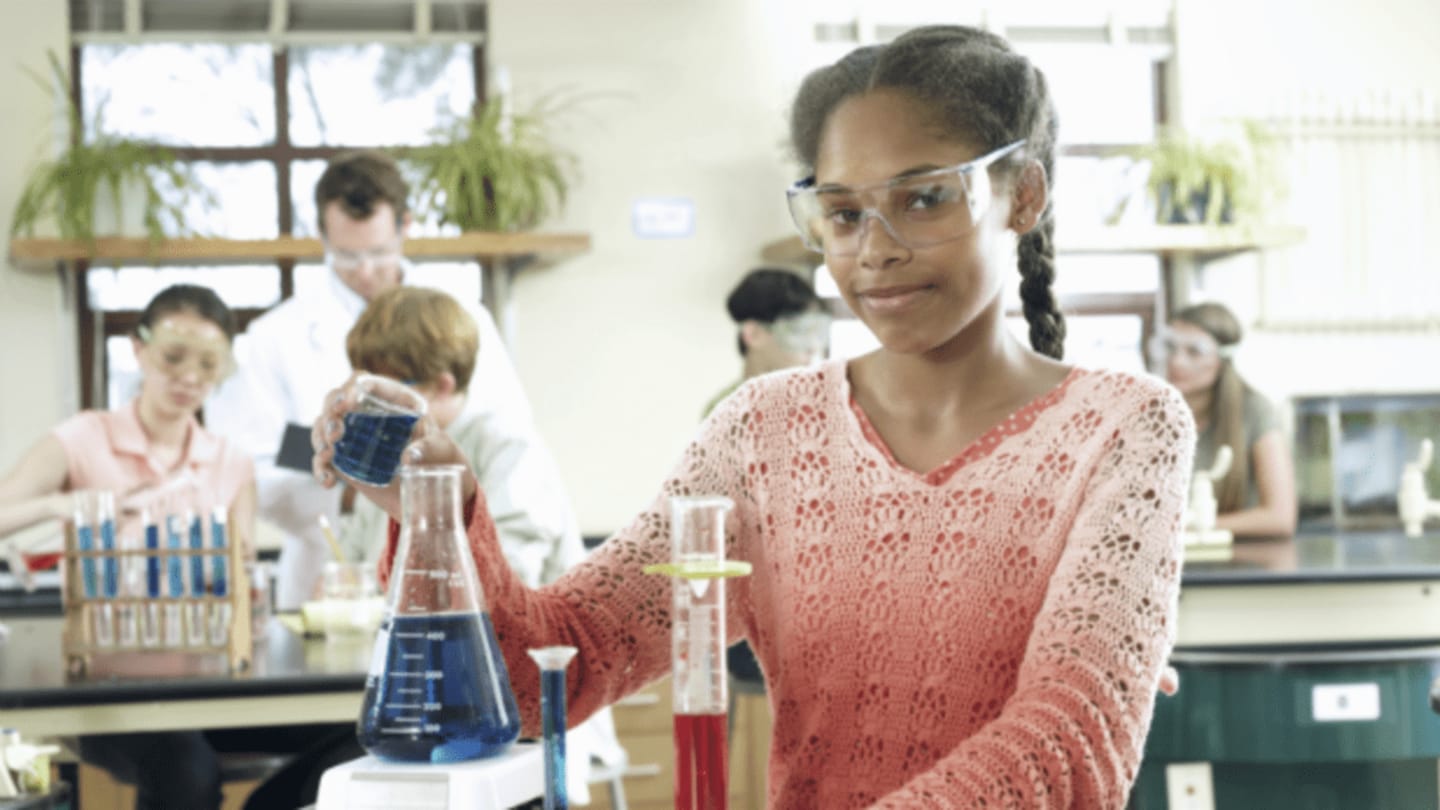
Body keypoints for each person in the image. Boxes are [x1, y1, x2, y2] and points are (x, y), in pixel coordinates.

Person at [315, 25, 1196, 808]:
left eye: (923, 197)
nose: (874, 250)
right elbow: (549, 669)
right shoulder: (766, 432)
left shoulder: (1127, 429)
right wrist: (438, 505)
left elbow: (1072, 736)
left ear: (1025, 195)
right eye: (842, 213)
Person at [205, 148, 570, 611]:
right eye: (346, 255)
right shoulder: (275, 335)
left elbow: (502, 434)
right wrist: (352, 478)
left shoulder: (464, 318)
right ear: (321, 235)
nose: (364, 271)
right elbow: (251, 461)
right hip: (341, 566)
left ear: (405, 226)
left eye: (378, 252)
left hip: (472, 571)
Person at [0, 284, 258, 810]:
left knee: (340, 738)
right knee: (186, 772)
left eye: (208, 364)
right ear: (139, 349)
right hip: (104, 686)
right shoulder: (84, 438)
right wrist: (56, 505)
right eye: (173, 357)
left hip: (211, 680)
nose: (189, 378)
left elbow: (242, 565)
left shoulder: (230, 461)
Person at [1155, 301, 1297, 537]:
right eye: (1170, 347)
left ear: (1222, 360)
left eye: (1194, 351)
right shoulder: (1152, 415)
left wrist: (1189, 528)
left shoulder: (1254, 410)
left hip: (1239, 555)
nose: (1177, 361)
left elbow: (1280, 518)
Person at [703, 267, 831, 417]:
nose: (813, 348)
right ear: (753, 334)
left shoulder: (819, 402)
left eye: (818, 331)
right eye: (798, 331)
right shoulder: (724, 411)